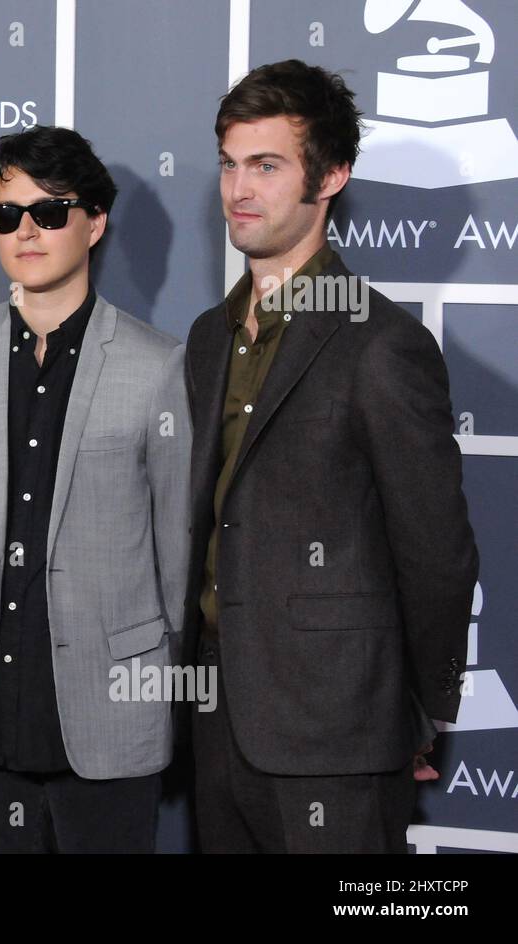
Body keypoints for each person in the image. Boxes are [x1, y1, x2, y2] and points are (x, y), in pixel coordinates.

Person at [184, 59, 477, 853]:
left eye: (267, 165)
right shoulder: (210, 335)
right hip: (215, 725)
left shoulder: (382, 345)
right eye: (229, 163)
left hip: (341, 734)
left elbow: (436, 550)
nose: (239, 189)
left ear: (333, 175)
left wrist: (413, 710)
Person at [0, 126, 191, 852]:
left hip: (109, 718)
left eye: (50, 210)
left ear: (94, 222)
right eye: (7, 215)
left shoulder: (158, 366)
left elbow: (179, 550)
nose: (26, 230)